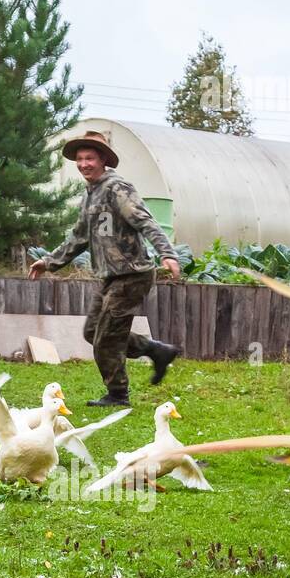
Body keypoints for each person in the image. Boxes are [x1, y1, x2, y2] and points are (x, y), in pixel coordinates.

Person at [29, 130, 181, 406]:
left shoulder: (117, 188)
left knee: (106, 339)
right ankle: (156, 350)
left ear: (103, 160)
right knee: (92, 332)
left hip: (132, 274)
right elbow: (79, 237)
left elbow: (144, 220)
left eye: (90, 158)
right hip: (110, 277)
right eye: (80, 159)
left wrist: (167, 253)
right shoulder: (89, 195)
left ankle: (118, 394)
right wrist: (49, 262)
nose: (84, 164)